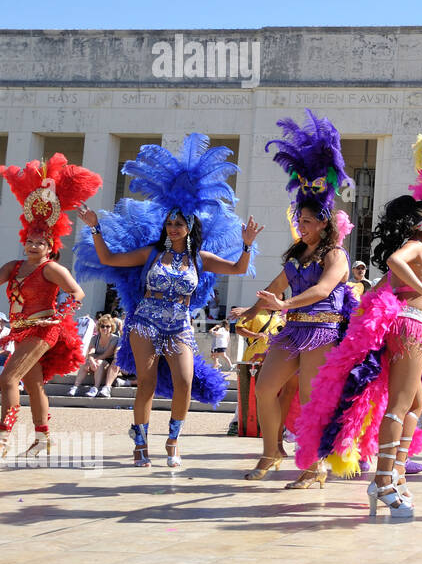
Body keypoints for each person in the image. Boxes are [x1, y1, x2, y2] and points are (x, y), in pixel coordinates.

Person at [294, 74, 422, 516]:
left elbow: (402, 278)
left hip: (412, 325)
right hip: (409, 326)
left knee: (416, 403)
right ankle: (384, 483)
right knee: (401, 403)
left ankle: (395, 475)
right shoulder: (415, 246)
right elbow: (393, 262)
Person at [75, 134, 262, 468]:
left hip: (179, 324)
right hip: (144, 322)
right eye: (170, 223)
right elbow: (109, 258)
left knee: (185, 382)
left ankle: (174, 441)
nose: (173, 228)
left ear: (190, 227)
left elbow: (238, 268)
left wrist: (246, 244)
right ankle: (141, 441)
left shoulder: (199, 258)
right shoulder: (150, 253)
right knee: (145, 383)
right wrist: (95, 228)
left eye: (179, 223)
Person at [239, 111, 357, 486]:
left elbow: (323, 291)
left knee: (310, 399)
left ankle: (314, 466)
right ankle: (271, 453)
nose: (300, 226)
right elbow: (273, 288)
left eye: (306, 221)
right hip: (292, 331)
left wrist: (284, 305)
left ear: (324, 223)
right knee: (264, 387)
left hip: (322, 331)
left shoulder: (336, 255)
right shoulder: (296, 256)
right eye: (298, 220)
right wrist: (249, 311)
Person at [1, 155, 101, 459]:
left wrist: (57, 317)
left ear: (50, 246)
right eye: (30, 241)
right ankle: (43, 438)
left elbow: (78, 292)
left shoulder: (50, 269)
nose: (33, 246)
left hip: (43, 331)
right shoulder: (14, 266)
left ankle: (3, 437)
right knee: (32, 384)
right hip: (20, 331)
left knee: (7, 378)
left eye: (39, 243)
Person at [68, 314, 121, 397]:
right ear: (99, 327)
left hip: (107, 362)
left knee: (99, 362)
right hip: (97, 361)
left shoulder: (115, 338)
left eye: (108, 326)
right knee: (85, 363)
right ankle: (75, 387)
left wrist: (94, 361)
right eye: (102, 326)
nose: (105, 328)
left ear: (112, 328)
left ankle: (95, 388)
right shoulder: (95, 338)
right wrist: (91, 361)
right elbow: (91, 351)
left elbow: (108, 353)